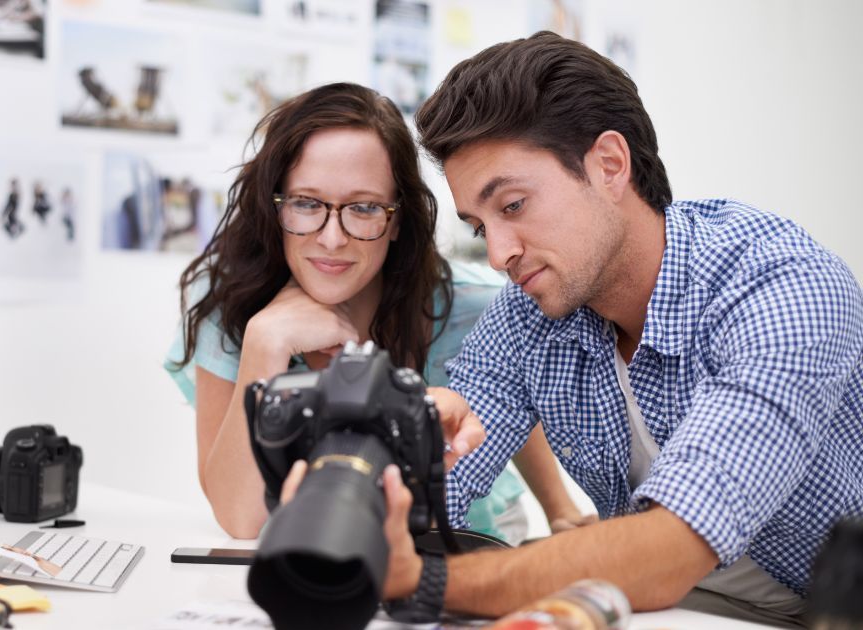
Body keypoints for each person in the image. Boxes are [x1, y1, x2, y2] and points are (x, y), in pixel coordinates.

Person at [313, 31, 862, 628]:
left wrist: (426, 581)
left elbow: (674, 546)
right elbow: (437, 482)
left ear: (609, 165)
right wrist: (385, 470)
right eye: (479, 226)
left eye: (514, 206)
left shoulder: (781, 285)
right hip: (673, 606)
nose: (498, 254)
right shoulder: (529, 315)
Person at [165, 82, 589, 542]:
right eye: (307, 203)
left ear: (397, 221)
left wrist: (559, 508)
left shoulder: (476, 305)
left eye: (364, 208)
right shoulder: (231, 302)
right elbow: (239, 519)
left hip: (462, 542)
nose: (331, 238)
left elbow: (509, 399)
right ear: (275, 207)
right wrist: (265, 342)